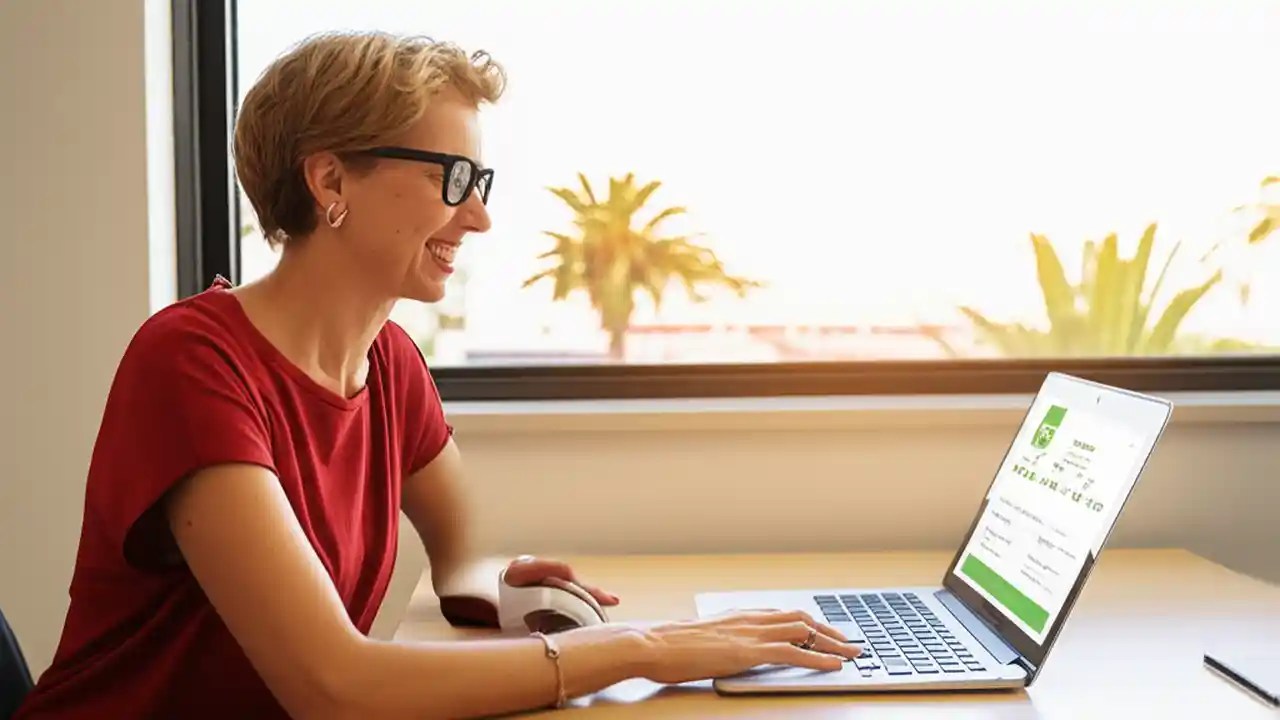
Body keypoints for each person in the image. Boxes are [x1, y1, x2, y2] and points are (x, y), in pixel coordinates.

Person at [15, 31, 859, 719]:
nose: (479, 216)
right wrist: (638, 648)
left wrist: (510, 592)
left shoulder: (391, 364)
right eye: (451, 178)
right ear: (330, 180)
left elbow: (460, 565)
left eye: (479, 180)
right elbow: (335, 689)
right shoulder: (192, 363)